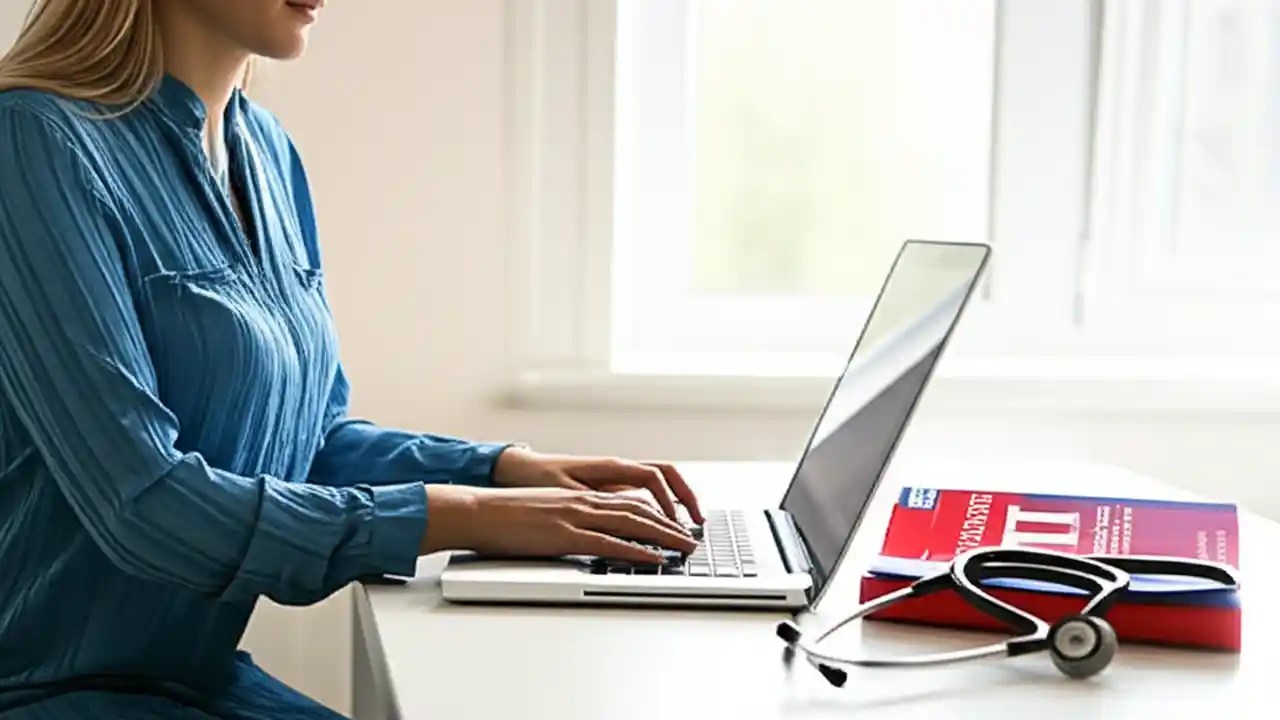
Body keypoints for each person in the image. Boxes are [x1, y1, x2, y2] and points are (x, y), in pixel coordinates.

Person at [0, 1, 703, 717]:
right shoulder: (32, 145)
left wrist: (499, 473)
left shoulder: (265, 151)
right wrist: (455, 515)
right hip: (45, 692)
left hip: (195, 679)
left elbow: (311, 441)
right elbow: (143, 506)